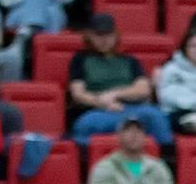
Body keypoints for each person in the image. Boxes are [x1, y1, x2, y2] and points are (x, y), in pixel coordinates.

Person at [68, 15, 171, 144]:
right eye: (99, 35)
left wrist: (115, 94)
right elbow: (78, 94)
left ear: (115, 35)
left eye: (108, 35)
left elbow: (143, 89)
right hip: (98, 110)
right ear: (90, 36)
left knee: (156, 116)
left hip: (132, 108)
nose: (104, 40)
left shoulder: (129, 60)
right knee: (85, 125)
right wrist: (103, 103)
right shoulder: (80, 60)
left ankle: (165, 159)